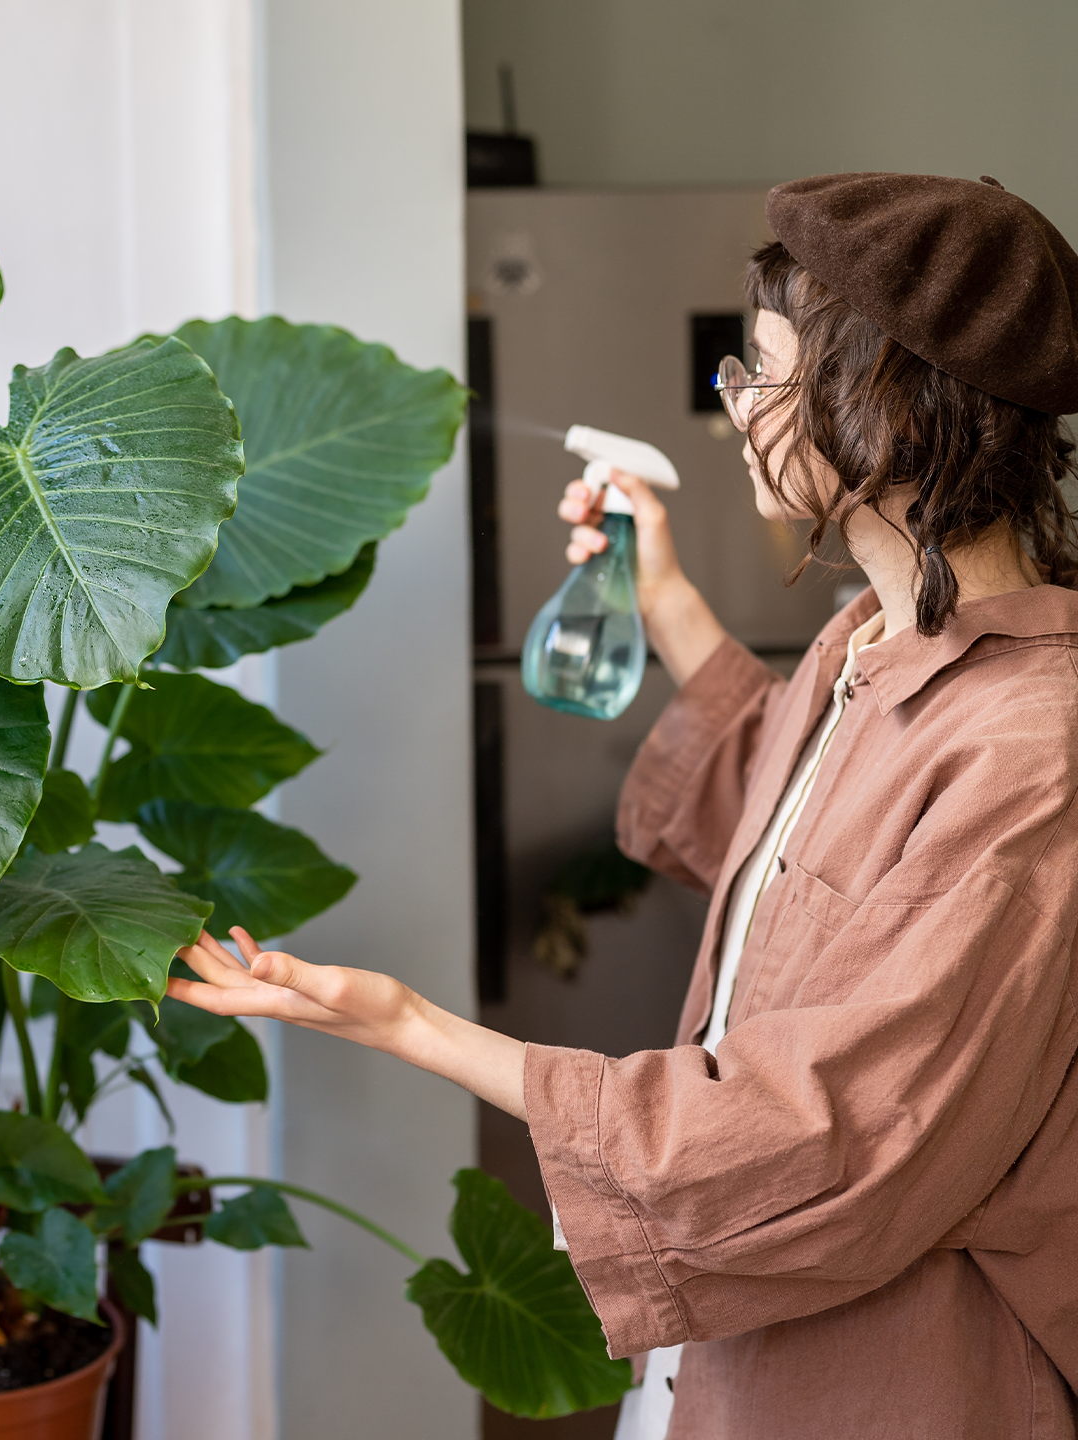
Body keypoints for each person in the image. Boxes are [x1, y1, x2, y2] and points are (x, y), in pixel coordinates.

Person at [170, 172, 1078, 1440]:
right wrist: (660, 592)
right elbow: (794, 829)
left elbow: (833, 1131)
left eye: (756, 375)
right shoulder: (865, 642)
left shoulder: (1032, 750)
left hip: (900, 1376)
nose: (736, 407)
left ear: (885, 407)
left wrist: (410, 1025)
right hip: (735, 1350)